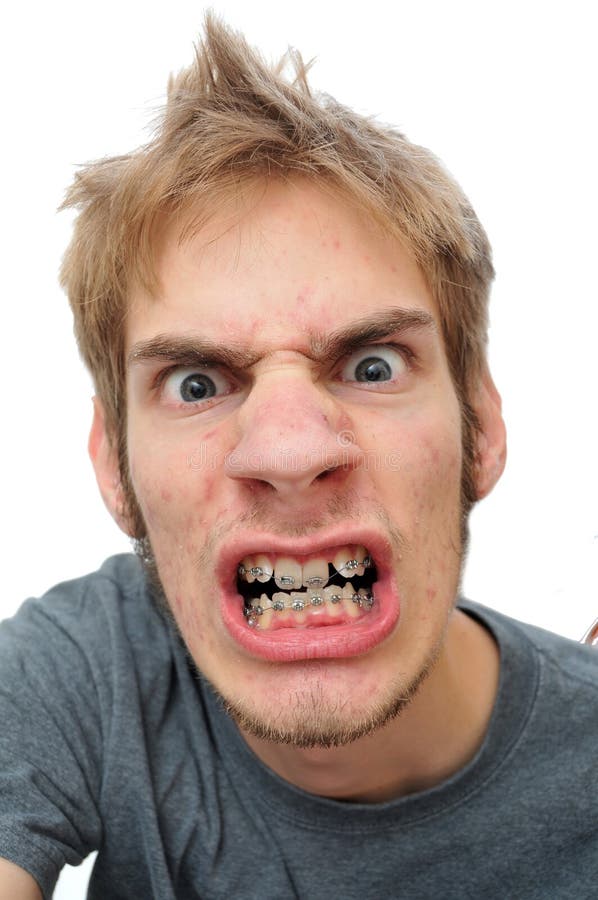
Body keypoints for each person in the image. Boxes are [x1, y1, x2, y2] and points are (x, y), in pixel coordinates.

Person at [1, 14, 596, 899]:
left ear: (481, 427)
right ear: (114, 467)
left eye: (371, 367)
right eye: (197, 383)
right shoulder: (86, 665)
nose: (289, 449)